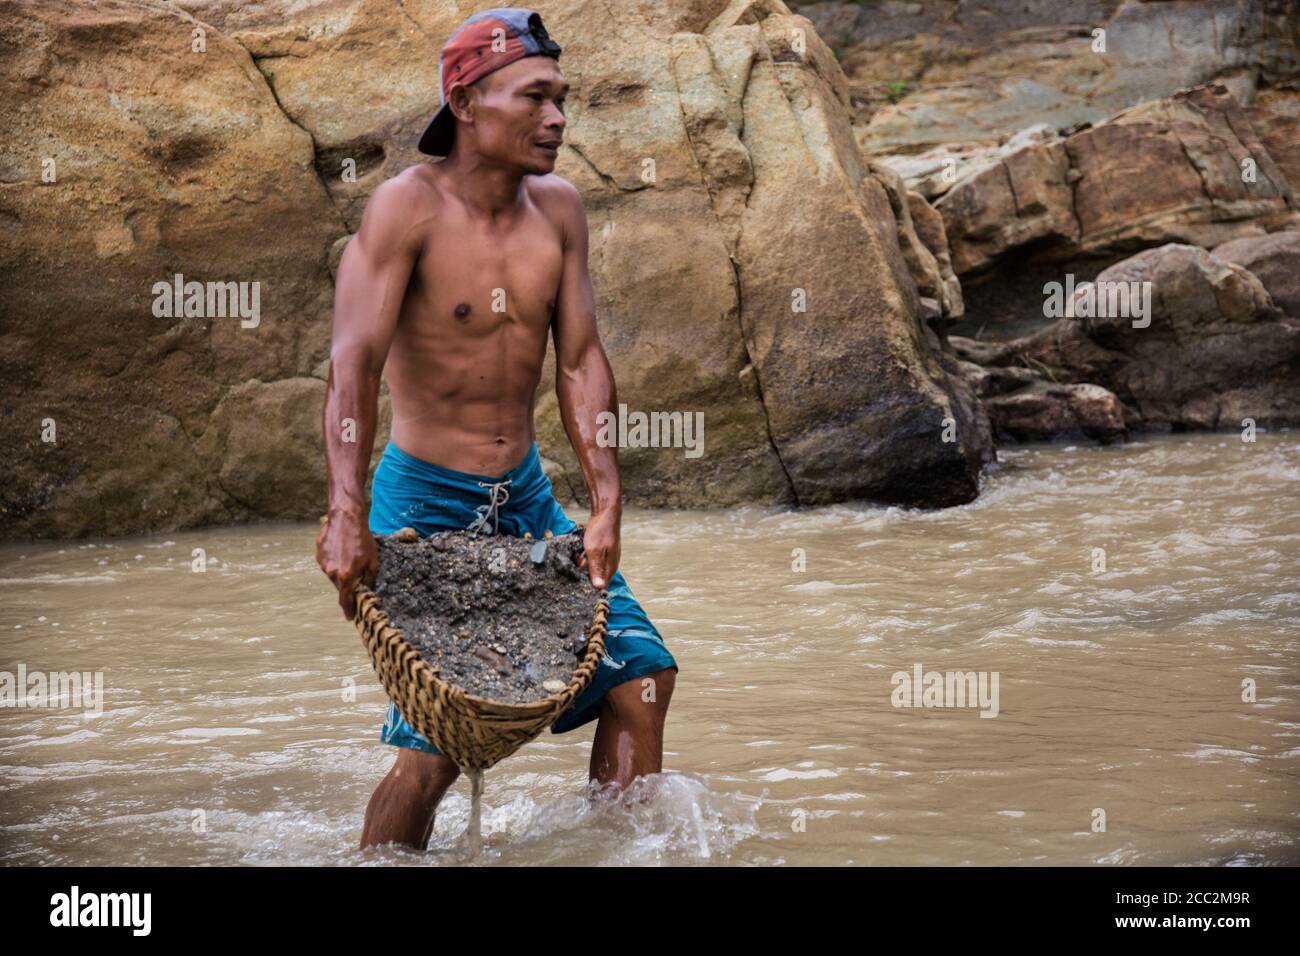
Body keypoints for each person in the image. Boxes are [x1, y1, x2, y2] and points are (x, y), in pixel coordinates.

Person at [314, 7, 679, 851]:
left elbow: (582, 360)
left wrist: (607, 501)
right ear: (468, 102)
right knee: (435, 752)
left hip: (526, 498)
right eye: (535, 97)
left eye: (562, 99)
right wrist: (345, 510)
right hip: (424, 503)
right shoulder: (405, 211)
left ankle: (608, 853)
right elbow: (351, 369)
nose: (557, 119)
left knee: (644, 678)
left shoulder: (560, 211)